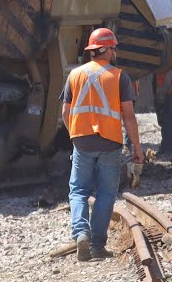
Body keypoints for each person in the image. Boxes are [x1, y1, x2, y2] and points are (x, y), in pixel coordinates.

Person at [61, 27, 144, 262]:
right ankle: (97, 244)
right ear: (106, 50)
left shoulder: (74, 75)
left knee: (78, 190)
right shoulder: (120, 77)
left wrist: (74, 135)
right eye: (114, 48)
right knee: (106, 193)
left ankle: (81, 234)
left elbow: (66, 111)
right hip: (110, 142)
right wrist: (137, 149)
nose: (115, 52)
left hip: (82, 141)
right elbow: (129, 116)